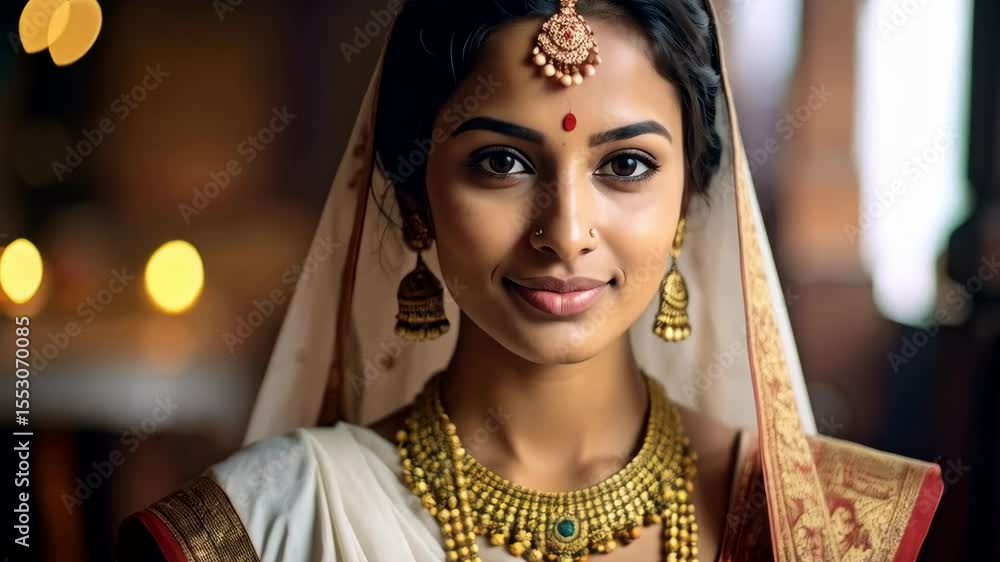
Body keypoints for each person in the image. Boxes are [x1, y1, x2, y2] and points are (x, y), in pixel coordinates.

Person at [116, 0, 943, 560]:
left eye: (626, 164)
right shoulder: (275, 521)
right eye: (502, 162)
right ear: (413, 200)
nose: (568, 232)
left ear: (688, 200)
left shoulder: (826, 524)